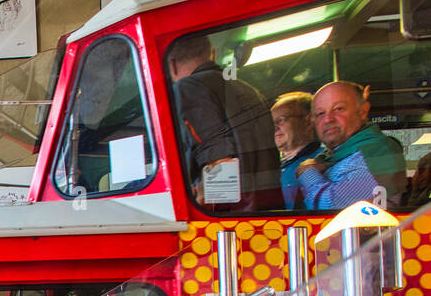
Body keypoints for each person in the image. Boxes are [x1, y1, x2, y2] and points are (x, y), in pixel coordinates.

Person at [168, 34, 279, 212]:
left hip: (228, 218)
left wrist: (201, 201)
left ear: (172, 65)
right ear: (212, 54)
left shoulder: (188, 87)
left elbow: (218, 158)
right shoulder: (248, 89)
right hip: (267, 212)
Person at [295, 81, 407, 211]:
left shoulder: (378, 152)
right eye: (320, 113)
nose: (328, 119)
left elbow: (331, 208)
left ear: (363, 111)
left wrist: (307, 172)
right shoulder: (332, 156)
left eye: (338, 109)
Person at [272, 91, 322, 211]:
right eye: (272, 122)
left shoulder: (322, 161)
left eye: (281, 120)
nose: (275, 127)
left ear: (309, 121)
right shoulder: (272, 166)